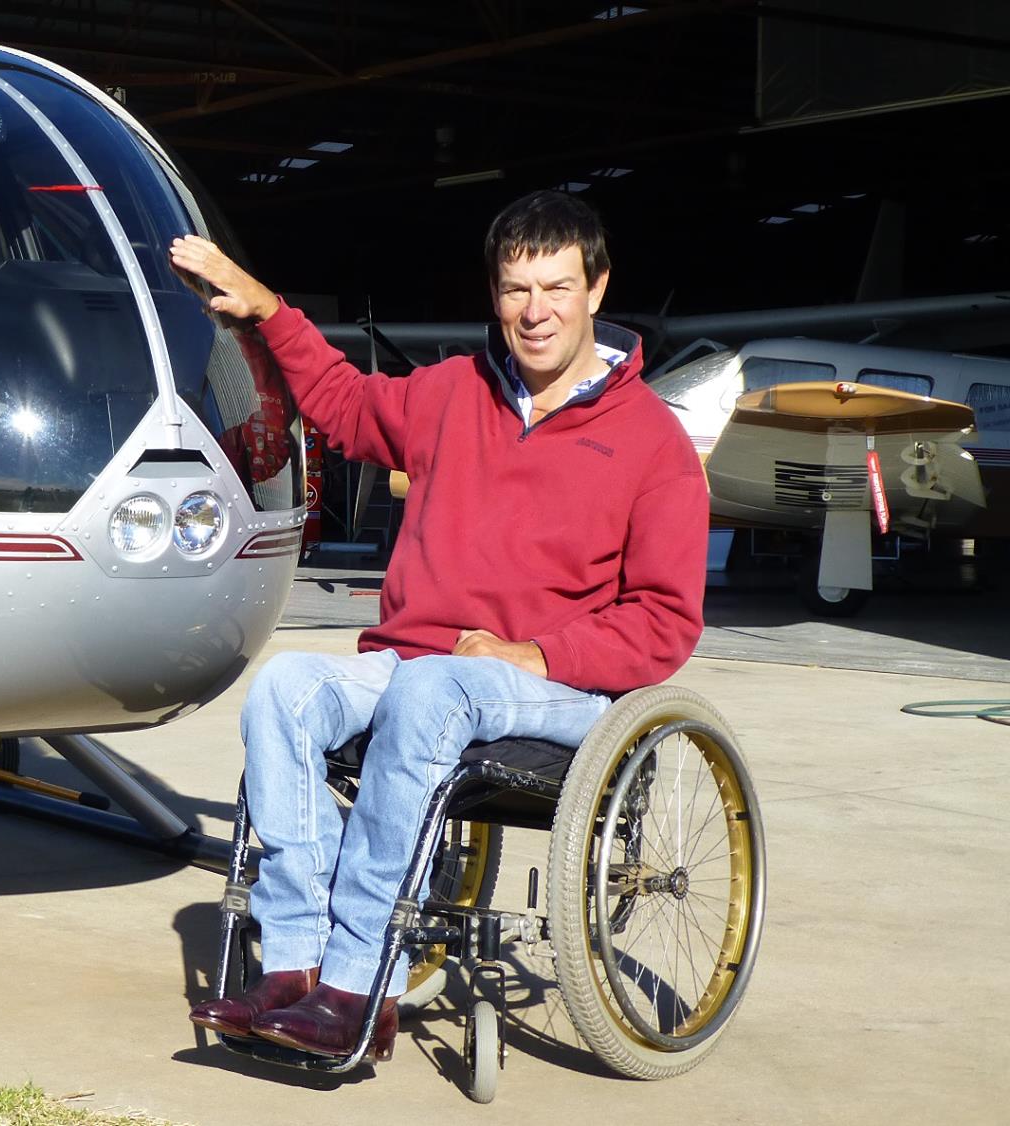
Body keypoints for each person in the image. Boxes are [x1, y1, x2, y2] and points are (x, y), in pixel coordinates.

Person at [171, 190, 708, 1062]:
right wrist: (268, 309)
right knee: (285, 688)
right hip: (423, 663)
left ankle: (361, 984)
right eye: (516, 289)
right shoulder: (455, 391)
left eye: (557, 288)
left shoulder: (653, 442)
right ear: (495, 293)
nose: (535, 312)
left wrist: (535, 653)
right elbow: (344, 402)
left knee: (430, 688)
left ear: (597, 288)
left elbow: (665, 621)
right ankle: (296, 967)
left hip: (560, 690)